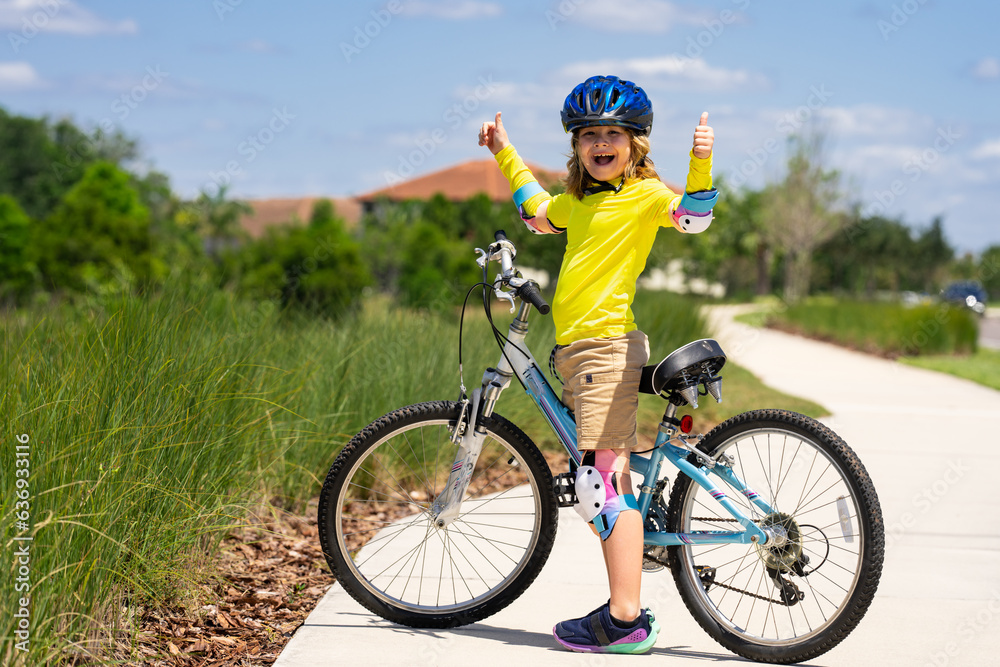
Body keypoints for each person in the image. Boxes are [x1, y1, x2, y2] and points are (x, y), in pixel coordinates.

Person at [477, 75, 717, 655]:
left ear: (637, 144)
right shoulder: (578, 203)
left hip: (607, 348)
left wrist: (701, 163)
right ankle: (631, 574)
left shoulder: (645, 195)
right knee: (604, 484)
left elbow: (693, 218)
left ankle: (626, 618)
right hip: (581, 352)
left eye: (615, 132)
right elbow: (536, 213)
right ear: (576, 145)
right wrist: (504, 152)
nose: (602, 142)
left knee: (599, 486)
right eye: (590, 134)